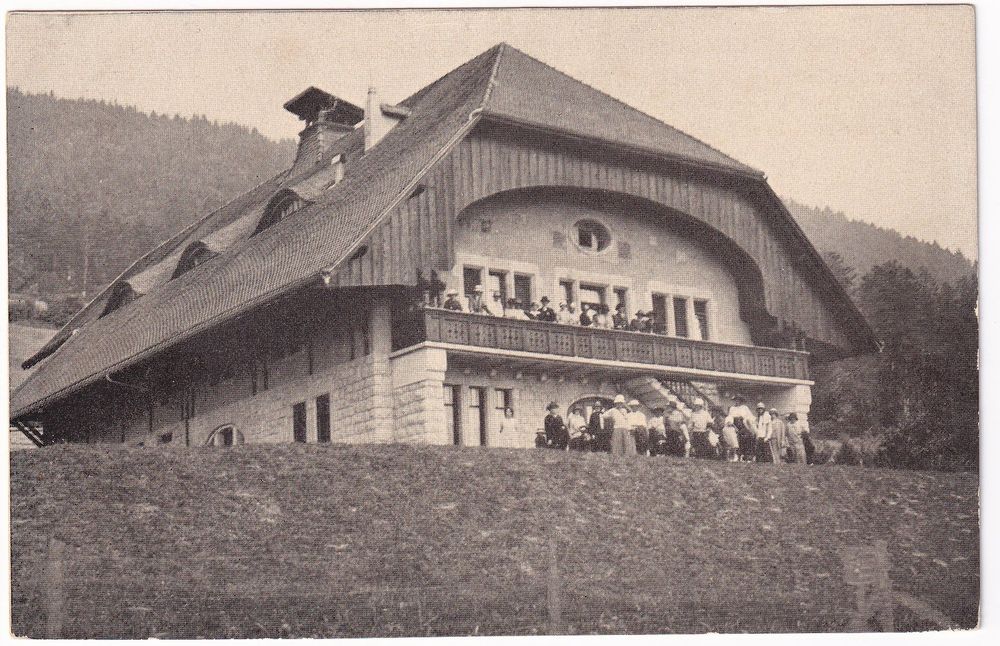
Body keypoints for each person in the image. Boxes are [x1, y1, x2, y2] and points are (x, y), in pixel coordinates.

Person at [727, 395, 756, 461]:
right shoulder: (732, 408)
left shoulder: (744, 408)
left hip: (743, 424)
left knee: (747, 437)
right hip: (734, 424)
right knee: (733, 438)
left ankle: (747, 455)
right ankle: (736, 455)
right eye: (736, 400)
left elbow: (750, 416)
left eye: (738, 400)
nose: (737, 401)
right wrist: (730, 422)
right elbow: (729, 417)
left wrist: (747, 420)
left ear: (741, 401)